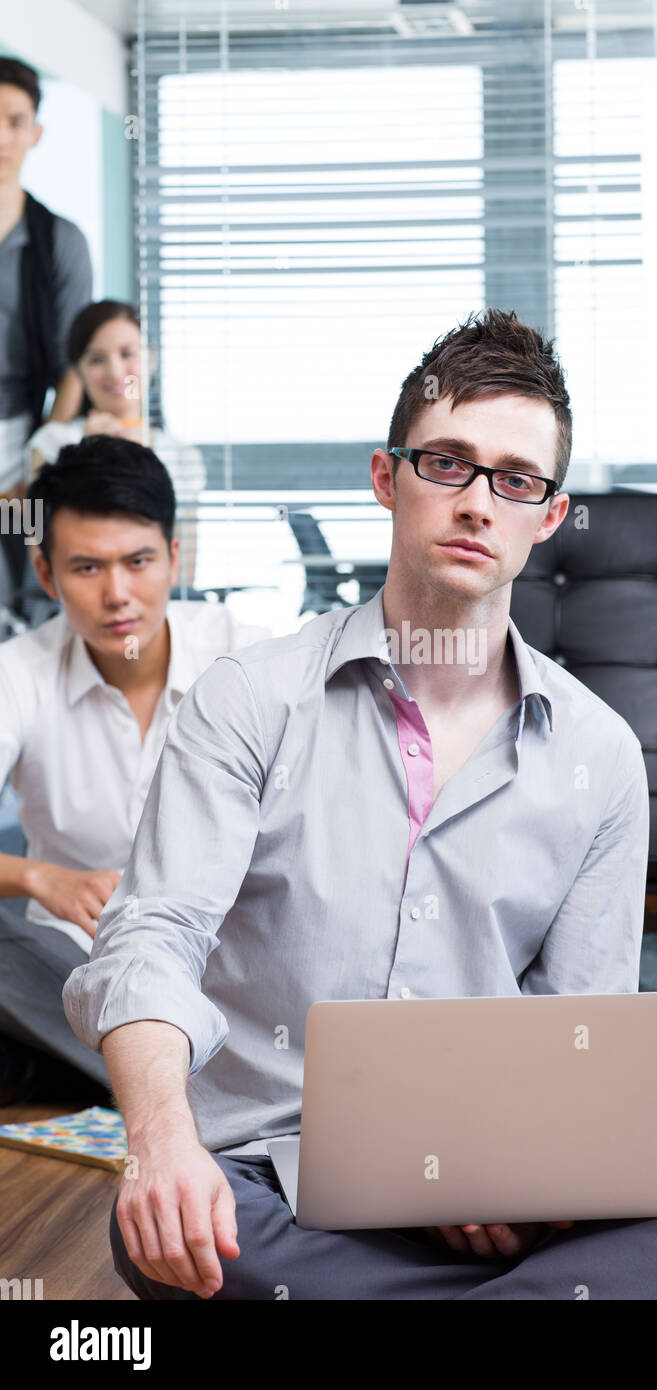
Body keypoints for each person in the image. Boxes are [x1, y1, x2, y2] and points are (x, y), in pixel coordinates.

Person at [62, 309, 657, 1301]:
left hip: (506, 1203)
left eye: (515, 479)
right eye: (448, 464)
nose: (479, 502)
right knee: (173, 1231)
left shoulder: (597, 752)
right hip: (282, 1183)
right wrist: (162, 1142)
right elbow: (151, 938)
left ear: (548, 515)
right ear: (388, 478)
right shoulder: (250, 698)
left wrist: (527, 1175)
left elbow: (580, 1033)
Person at [0, 435, 268, 1105]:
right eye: (87, 568)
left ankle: (125, 1083)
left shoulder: (244, 656)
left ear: (175, 558)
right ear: (45, 574)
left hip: (224, 969)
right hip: (70, 972)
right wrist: (40, 877)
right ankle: (192, 1092)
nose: (118, 594)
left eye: (139, 561)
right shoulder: (18, 674)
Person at [25, 300, 205, 588]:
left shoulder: (182, 456)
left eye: (127, 353)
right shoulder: (49, 445)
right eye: (96, 359)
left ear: (151, 359)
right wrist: (87, 458)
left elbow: (183, 574)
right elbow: (37, 550)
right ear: (79, 372)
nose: (115, 371)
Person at [0, 58, 91, 512]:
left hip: (20, 433)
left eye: (15, 122)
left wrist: (40, 461)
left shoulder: (61, 242)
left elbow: (72, 364)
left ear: (34, 134)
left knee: (24, 554)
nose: (0, 137)